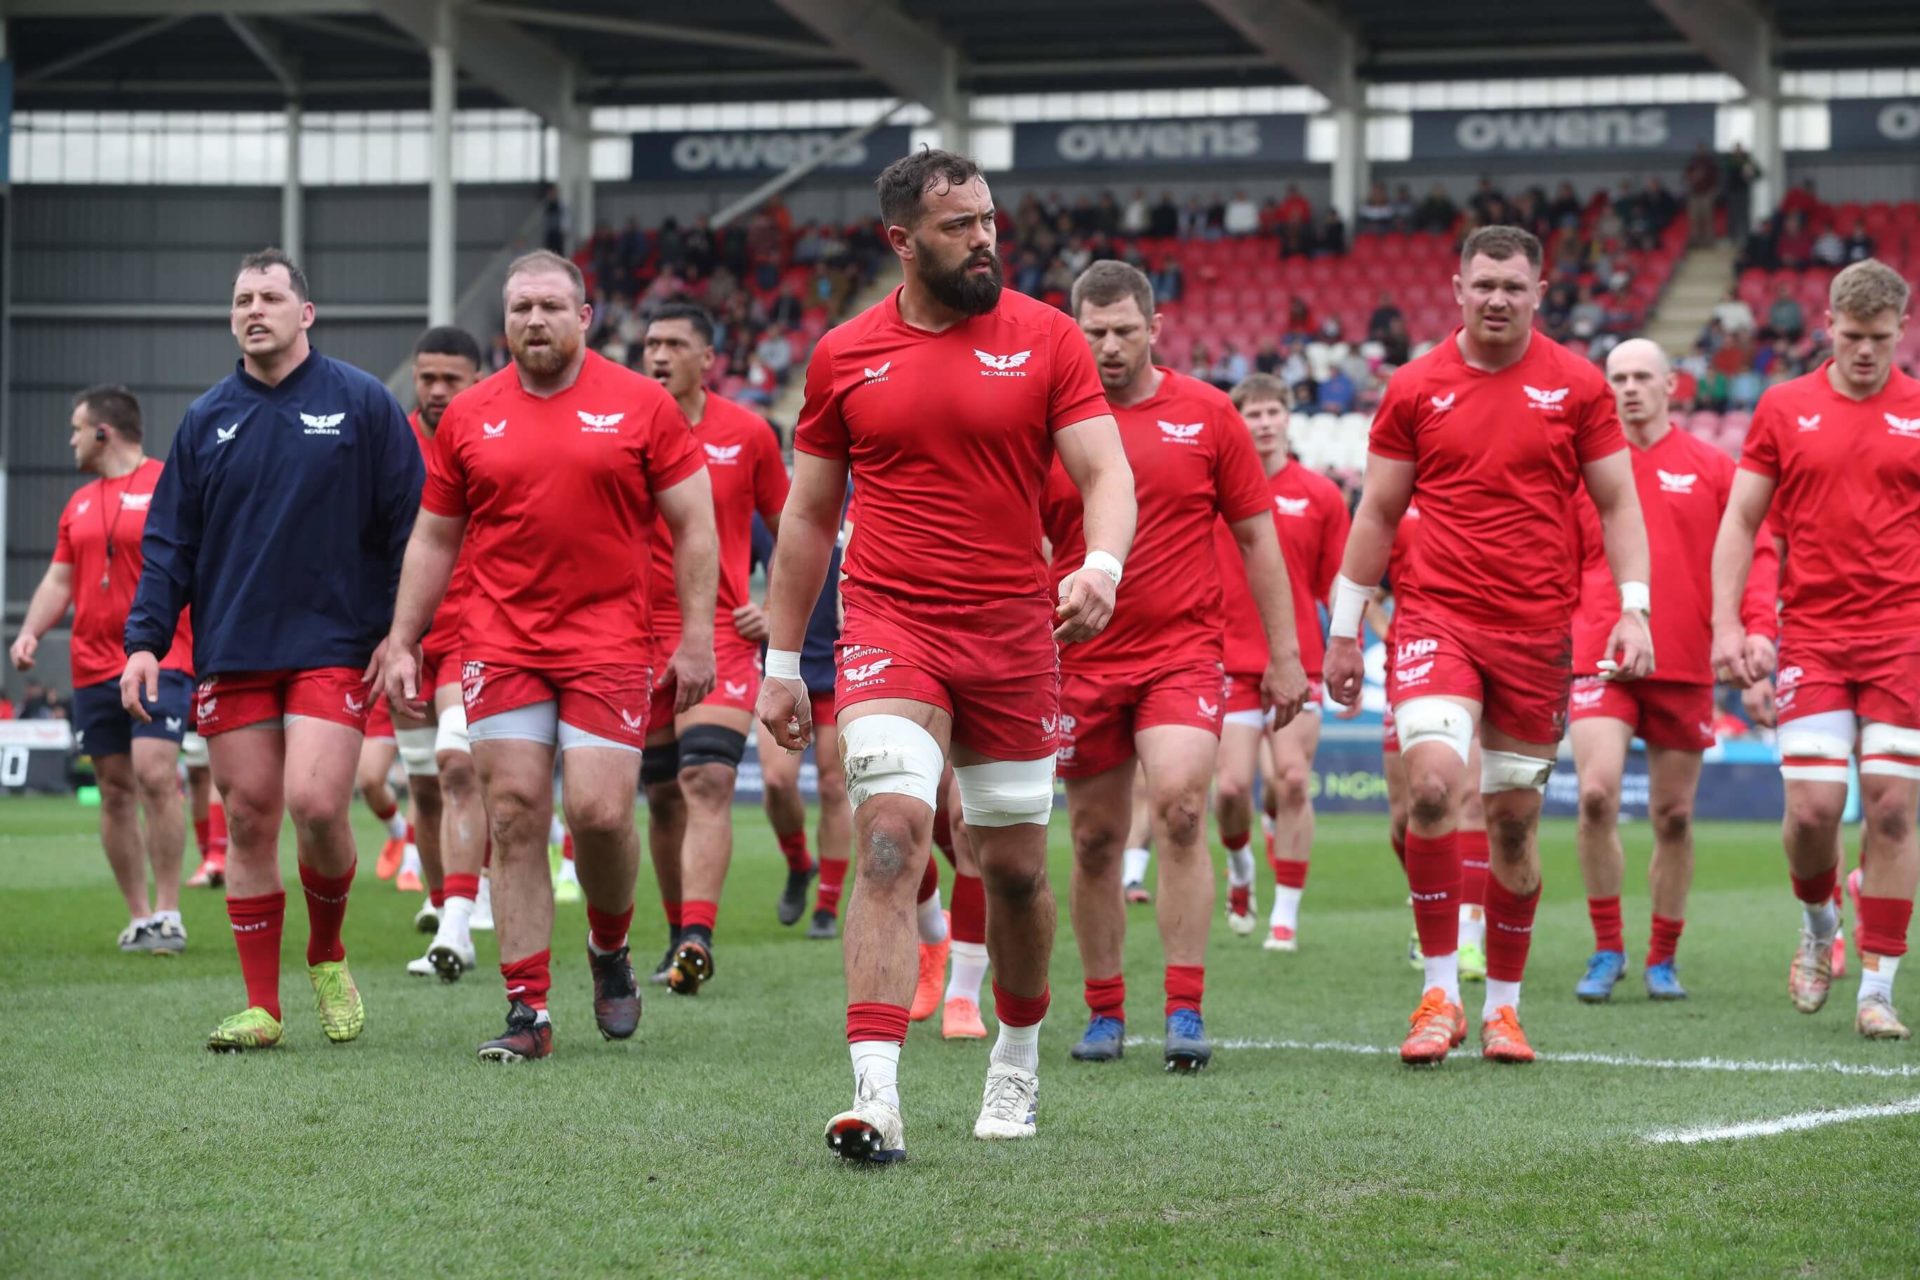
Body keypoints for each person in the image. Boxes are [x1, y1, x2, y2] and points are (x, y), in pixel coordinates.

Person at [757, 149, 1135, 1162]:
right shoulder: (844, 354)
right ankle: (874, 1094)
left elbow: (1107, 470)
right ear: (902, 241)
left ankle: (1015, 1053)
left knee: (1010, 868)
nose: (985, 240)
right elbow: (806, 517)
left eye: (990, 219)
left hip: (1017, 633)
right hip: (890, 626)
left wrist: (1100, 562)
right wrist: (783, 662)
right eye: (961, 225)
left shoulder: (1047, 338)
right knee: (889, 838)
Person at [1324, 225, 1654, 1067]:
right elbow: (1376, 513)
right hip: (1437, 620)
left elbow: (1617, 505)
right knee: (1432, 788)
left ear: (1540, 291)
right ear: (1458, 289)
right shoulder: (1416, 386)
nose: (1498, 298)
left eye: (1514, 285)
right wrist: (1346, 625)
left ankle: (1503, 1008)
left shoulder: (1577, 387)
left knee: (1511, 825)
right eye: (1484, 284)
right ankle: (1438, 992)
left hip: (1538, 633)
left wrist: (1635, 609)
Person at [382, 251, 716, 1063]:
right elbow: (434, 535)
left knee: (602, 813)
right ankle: (528, 1009)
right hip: (498, 640)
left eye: (550, 307)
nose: (535, 320)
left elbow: (694, 524)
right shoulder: (470, 414)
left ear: (584, 317)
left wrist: (697, 636)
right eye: (521, 307)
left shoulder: (639, 405)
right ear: (506, 320)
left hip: (607, 641)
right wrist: (403, 638)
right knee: (515, 813)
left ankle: (608, 948)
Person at [123, 248, 424, 1051]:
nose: (253, 309)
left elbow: (414, 528)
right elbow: (168, 547)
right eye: (241, 299)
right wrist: (146, 642)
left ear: (306, 313)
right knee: (250, 817)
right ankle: (264, 1006)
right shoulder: (204, 420)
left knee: (318, 803)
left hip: (334, 644)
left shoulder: (361, 403)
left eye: (269, 296)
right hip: (233, 649)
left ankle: (327, 953)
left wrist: (402, 632)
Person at [1045, 264, 1306, 1071]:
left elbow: (1259, 538)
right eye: (1095, 332)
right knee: (1092, 839)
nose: (1111, 345)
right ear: (1075, 331)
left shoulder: (1206, 413)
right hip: (1079, 659)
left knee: (1185, 808)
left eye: (1125, 329)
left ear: (1154, 328)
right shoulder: (1044, 423)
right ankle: (1104, 1010)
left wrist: (1286, 654)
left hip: (1182, 652)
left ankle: (1186, 1008)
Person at [1710, 258, 1920, 1041]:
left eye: (1880, 337)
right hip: (1815, 639)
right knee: (1812, 813)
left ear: (1901, 330)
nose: (1865, 352)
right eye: (1852, 336)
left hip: (1904, 638)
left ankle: (1879, 988)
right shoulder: (1784, 406)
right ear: (1828, 327)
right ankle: (1820, 925)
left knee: (1894, 809)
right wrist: (1729, 627)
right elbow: (1740, 523)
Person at [1567, 339, 1779, 1002]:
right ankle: (1608, 950)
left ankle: (1663, 956)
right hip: (1602, 651)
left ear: (1671, 385)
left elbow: (1759, 553)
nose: (1629, 389)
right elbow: (1555, 559)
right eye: (1618, 378)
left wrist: (1753, 631)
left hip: (1685, 659)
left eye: (1641, 377)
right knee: (1597, 794)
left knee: (1674, 816)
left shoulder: (1713, 467)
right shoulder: (1587, 470)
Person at [636, 302, 788, 994]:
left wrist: (776, 610)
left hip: (720, 630)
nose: (659, 354)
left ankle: (699, 933)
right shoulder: (621, 424)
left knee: (707, 778)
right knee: (663, 795)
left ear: (708, 359)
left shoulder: (748, 433)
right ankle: (676, 936)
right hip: (632, 636)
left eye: (674, 343)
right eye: (650, 343)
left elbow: (795, 529)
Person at [12, 385, 195, 953]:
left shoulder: (169, 483)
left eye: (75, 427)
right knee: (114, 790)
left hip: (163, 657)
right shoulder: (79, 504)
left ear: (103, 431)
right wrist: (30, 631)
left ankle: (169, 911)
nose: (69, 439)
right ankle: (139, 916)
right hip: (92, 665)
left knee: (155, 773)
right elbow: (58, 580)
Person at [1210, 374, 1344, 951]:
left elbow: (1333, 583)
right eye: (1253, 413)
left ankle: (1285, 915)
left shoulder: (1321, 494)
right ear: (1236, 421)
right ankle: (1241, 872)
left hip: (1300, 662)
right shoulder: (1212, 493)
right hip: (1227, 660)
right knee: (1232, 789)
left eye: (1273, 412)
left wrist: (1348, 644)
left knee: (1291, 780)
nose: (1263, 423)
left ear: (1289, 418)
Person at [392, 326, 489, 982]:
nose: (434, 390)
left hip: (481, 632)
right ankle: (440, 907)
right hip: (409, 638)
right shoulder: (391, 443)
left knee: (457, 767)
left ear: (477, 379)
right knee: (422, 786)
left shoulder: (497, 434)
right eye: (426, 377)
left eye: (450, 379)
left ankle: (458, 924)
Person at [756, 509, 854, 942]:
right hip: (784, 665)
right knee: (777, 782)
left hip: (838, 663)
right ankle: (799, 863)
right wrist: (757, 613)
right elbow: (740, 563)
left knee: (835, 786)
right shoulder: (781, 502)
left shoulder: (862, 494)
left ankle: (827, 906)